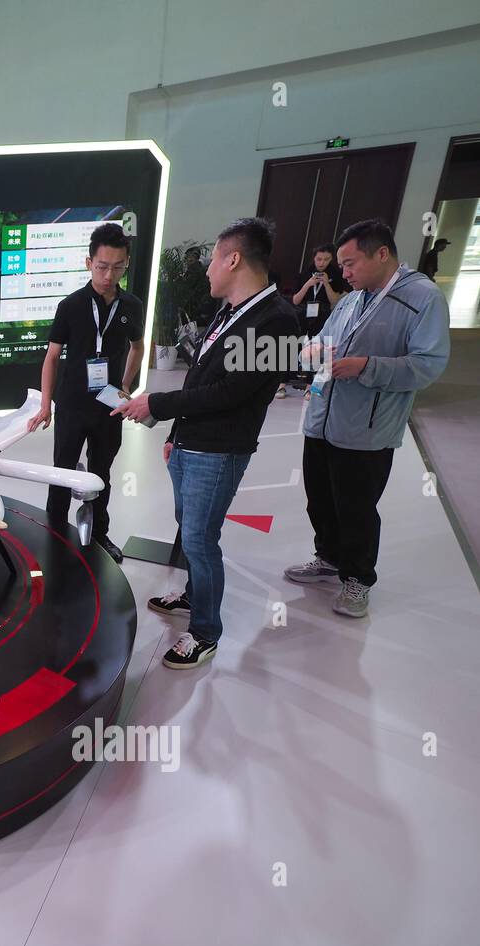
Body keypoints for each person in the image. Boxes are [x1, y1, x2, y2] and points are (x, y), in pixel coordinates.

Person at [112, 218, 298, 669]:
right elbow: (202, 376)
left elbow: (232, 393)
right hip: (193, 444)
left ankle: (205, 632)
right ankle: (194, 596)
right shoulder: (232, 309)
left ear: (233, 259)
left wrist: (156, 402)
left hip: (220, 451)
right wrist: (177, 434)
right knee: (189, 529)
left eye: (214, 259)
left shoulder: (276, 320)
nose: (208, 269)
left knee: (200, 539)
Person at [285, 218, 450, 617]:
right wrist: (312, 353)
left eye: (350, 263)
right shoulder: (354, 297)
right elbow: (325, 337)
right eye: (341, 265)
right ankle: (328, 557)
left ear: (382, 254)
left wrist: (367, 366)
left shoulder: (422, 298)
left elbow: (428, 365)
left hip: (367, 430)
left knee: (356, 508)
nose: (344, 273)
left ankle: (358, 579)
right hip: (323, 419)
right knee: (319, 500)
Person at [26, 223, 144, 564]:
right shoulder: (71, 305)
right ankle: (55, 534)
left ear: (126, 264)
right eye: (102, 266)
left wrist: (125, 385)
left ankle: (100, 535)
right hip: (73, 403)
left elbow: (137, 346)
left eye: (118, 267)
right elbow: (51, 357)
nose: (109, 275)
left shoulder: (131, 305)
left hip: (108, 406)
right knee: (61, 471)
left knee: (101, 473)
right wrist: (46, 404)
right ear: (88, 262)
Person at [291, 243, 350, 338]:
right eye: (319, 259)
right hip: (303, 314)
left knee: (319, 347)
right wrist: (307, 285)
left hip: (323, 315)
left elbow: (334, 301)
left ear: (331, 259)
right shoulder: (305, 273)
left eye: (326, 259)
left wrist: (326, 284)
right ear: (314, 258)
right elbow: (295, 301)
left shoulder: (336, 275)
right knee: (296, 344)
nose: (322, 263)